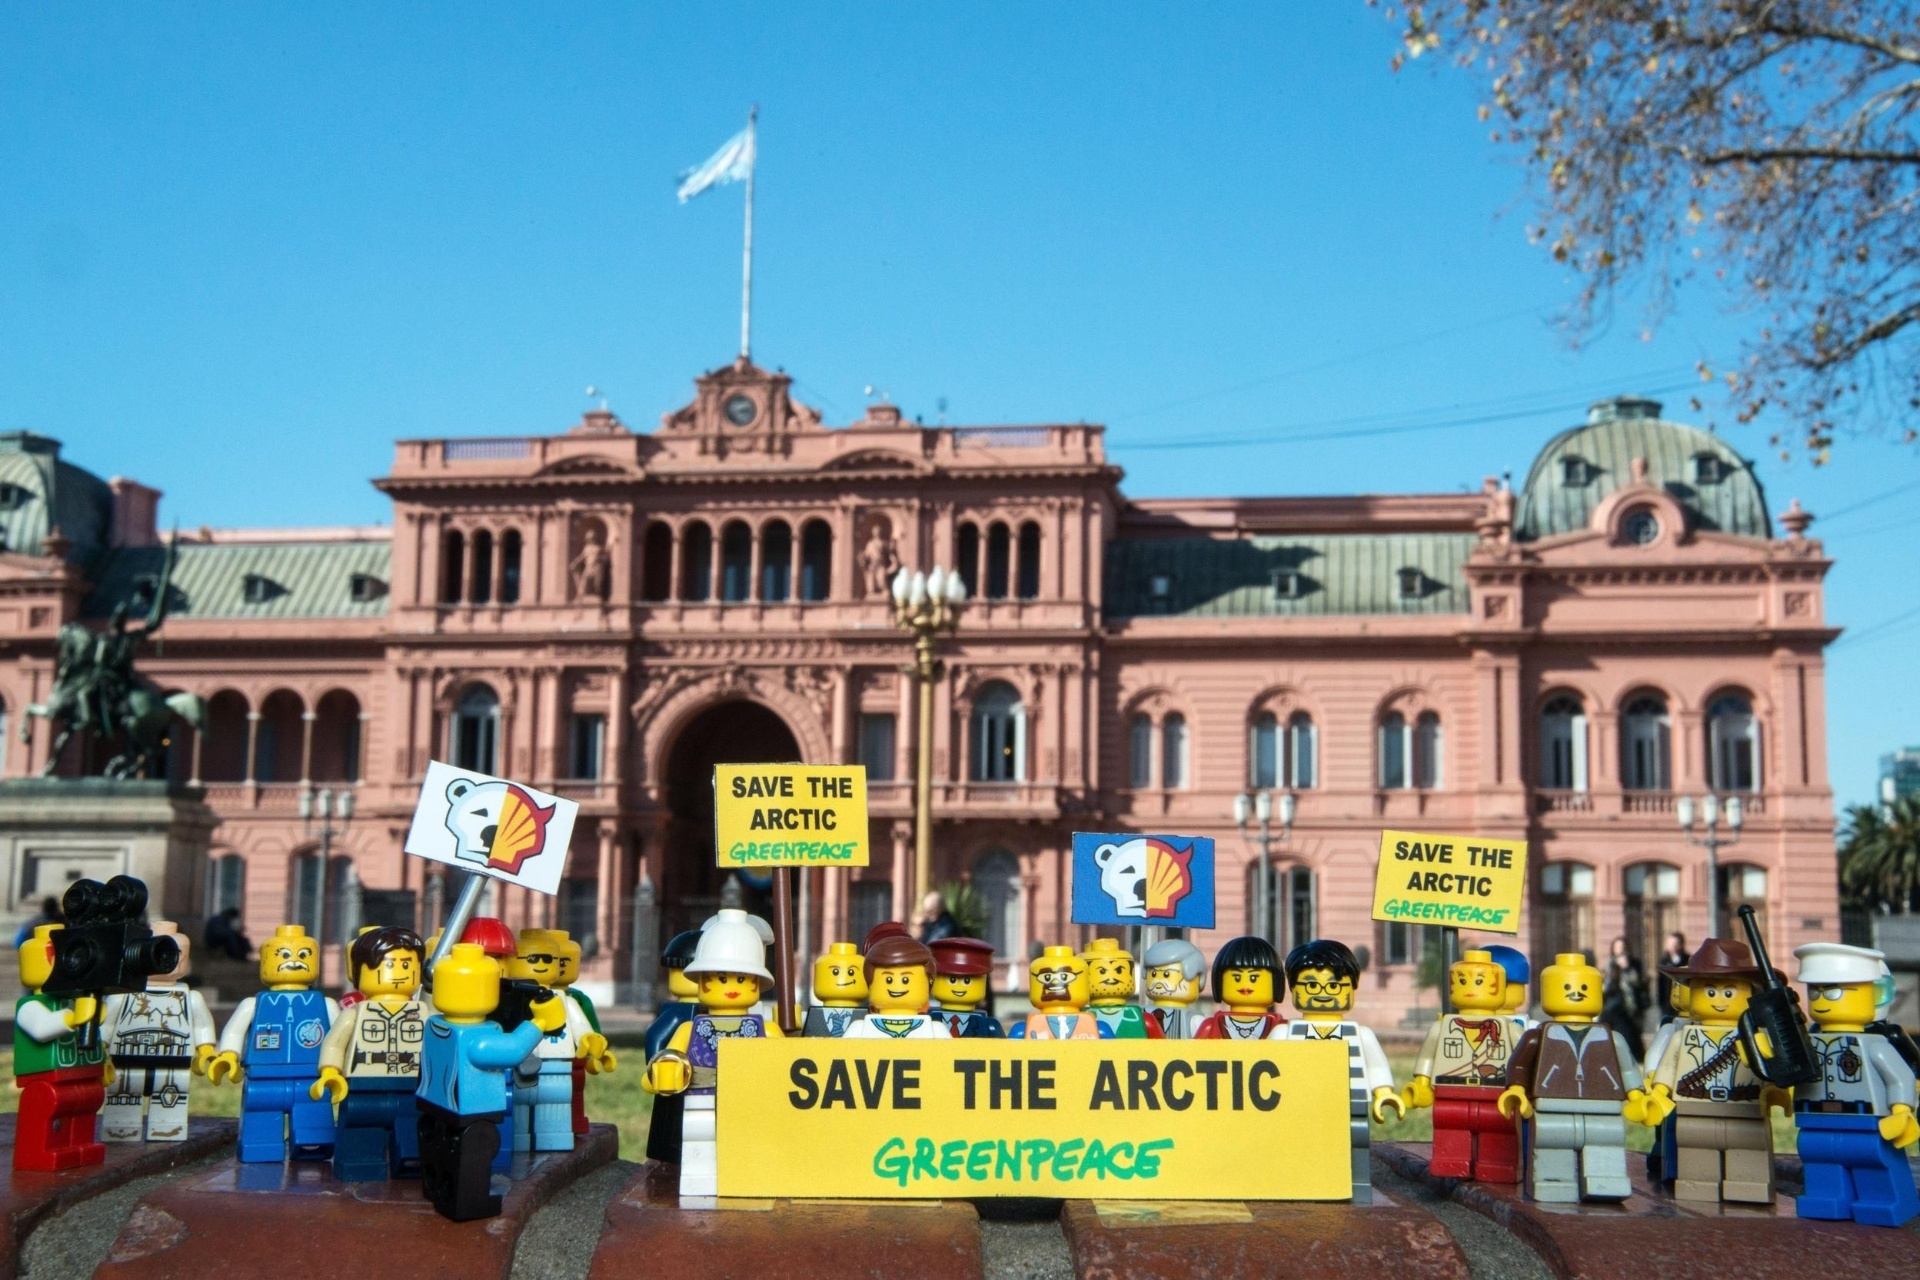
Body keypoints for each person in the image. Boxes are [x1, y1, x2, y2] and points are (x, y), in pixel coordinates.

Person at [1599, 936, 1648, 1064]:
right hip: (1613, 1006)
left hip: (1629, 1007)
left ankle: (1634, 1060)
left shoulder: (1634, 964)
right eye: (1617, 947)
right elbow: (1606, 986)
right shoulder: (1610, 964)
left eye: (1622, 947)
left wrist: (1626, 968)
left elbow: (1639, 983)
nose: (1620, 950)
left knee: (1630, 1036)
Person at [1655, 932, 1688, 1024]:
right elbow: (1660, 984)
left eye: (1676, 944)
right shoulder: (1664, 962)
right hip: (1667, 1003)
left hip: (1683, 1002)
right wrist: (1661, 1003)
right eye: (1671, 944)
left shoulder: (1687, 960)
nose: (1673, 947)